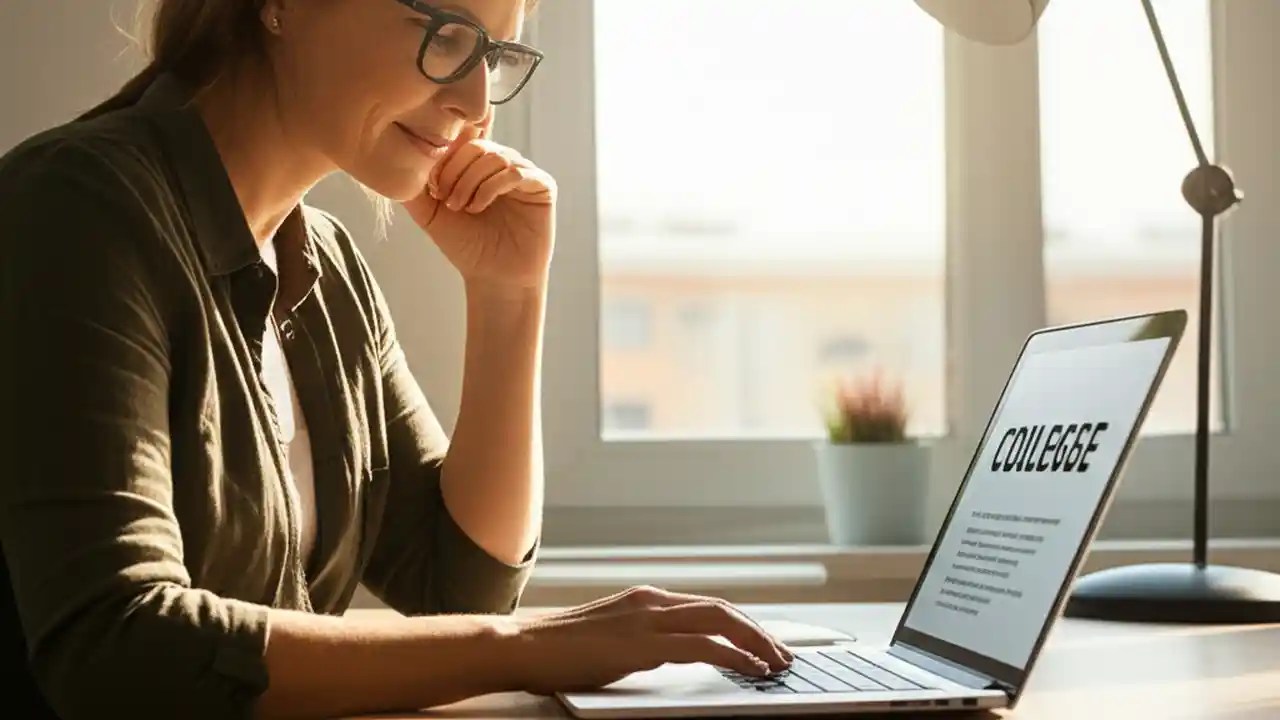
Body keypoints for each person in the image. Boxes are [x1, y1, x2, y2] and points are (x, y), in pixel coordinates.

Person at [0, 0, 795, 718]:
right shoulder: (75, 208)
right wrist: (527, 647)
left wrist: (509, 294)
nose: (476, 104)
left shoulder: (327, 268)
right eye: (446, 35)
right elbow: (115, 648)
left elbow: (460, 583)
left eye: (496, 55)